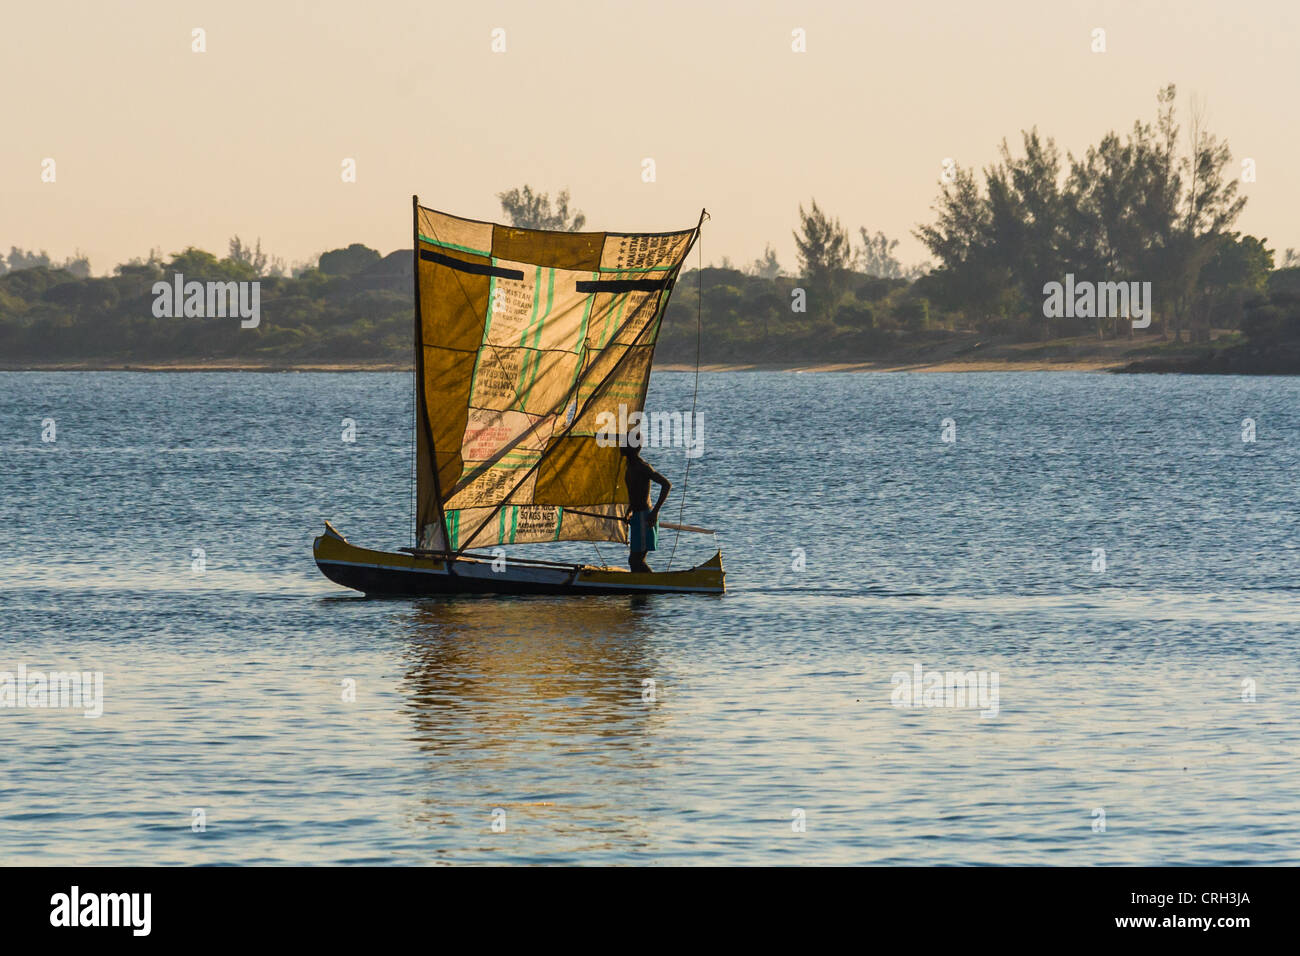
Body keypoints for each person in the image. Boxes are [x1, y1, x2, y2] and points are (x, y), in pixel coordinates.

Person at [620, 437, 671, 573]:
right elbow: (636, 492)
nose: (620, 446)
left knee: (636, 560)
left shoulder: (642, 467)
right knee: (634, 560)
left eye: (624, 444)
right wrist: (629, 511)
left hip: (645, 517)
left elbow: (666, 485)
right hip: (637, 516)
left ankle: (653, 587)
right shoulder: (629, 466)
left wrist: (655, 512)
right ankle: (640, 590)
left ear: (632, 448)